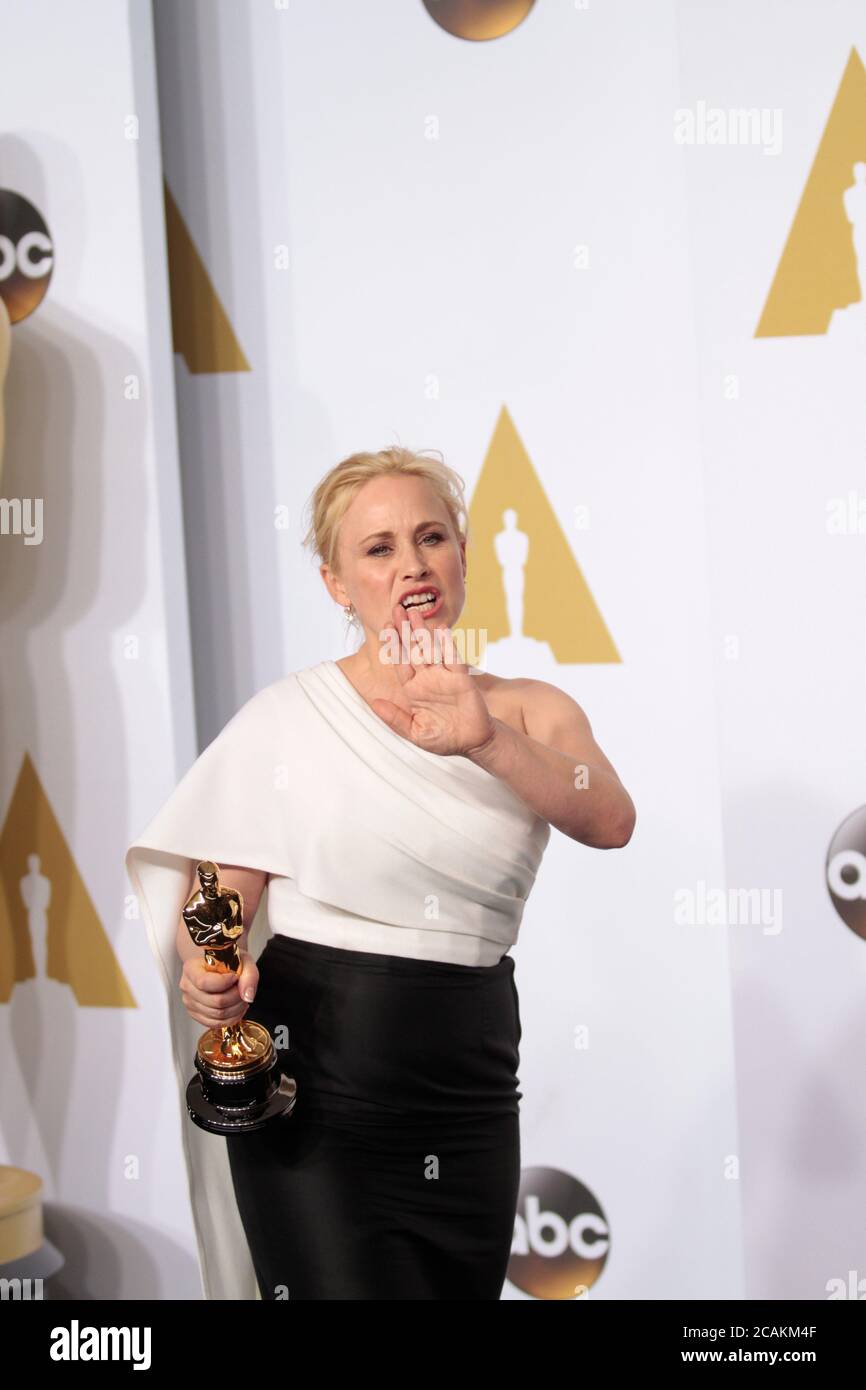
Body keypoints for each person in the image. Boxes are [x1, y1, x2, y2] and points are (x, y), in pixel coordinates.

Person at [126, 445, 635, 1300]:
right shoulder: (286, 722)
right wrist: (208, 974)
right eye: (379, 548)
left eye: (431, 537)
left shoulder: (531, 711)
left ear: (464, 557)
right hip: (316, 1091)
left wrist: (486, 739)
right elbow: (219, 906)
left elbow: (610, 818)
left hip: (468, 1089)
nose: (412, 565)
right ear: (335, 583)